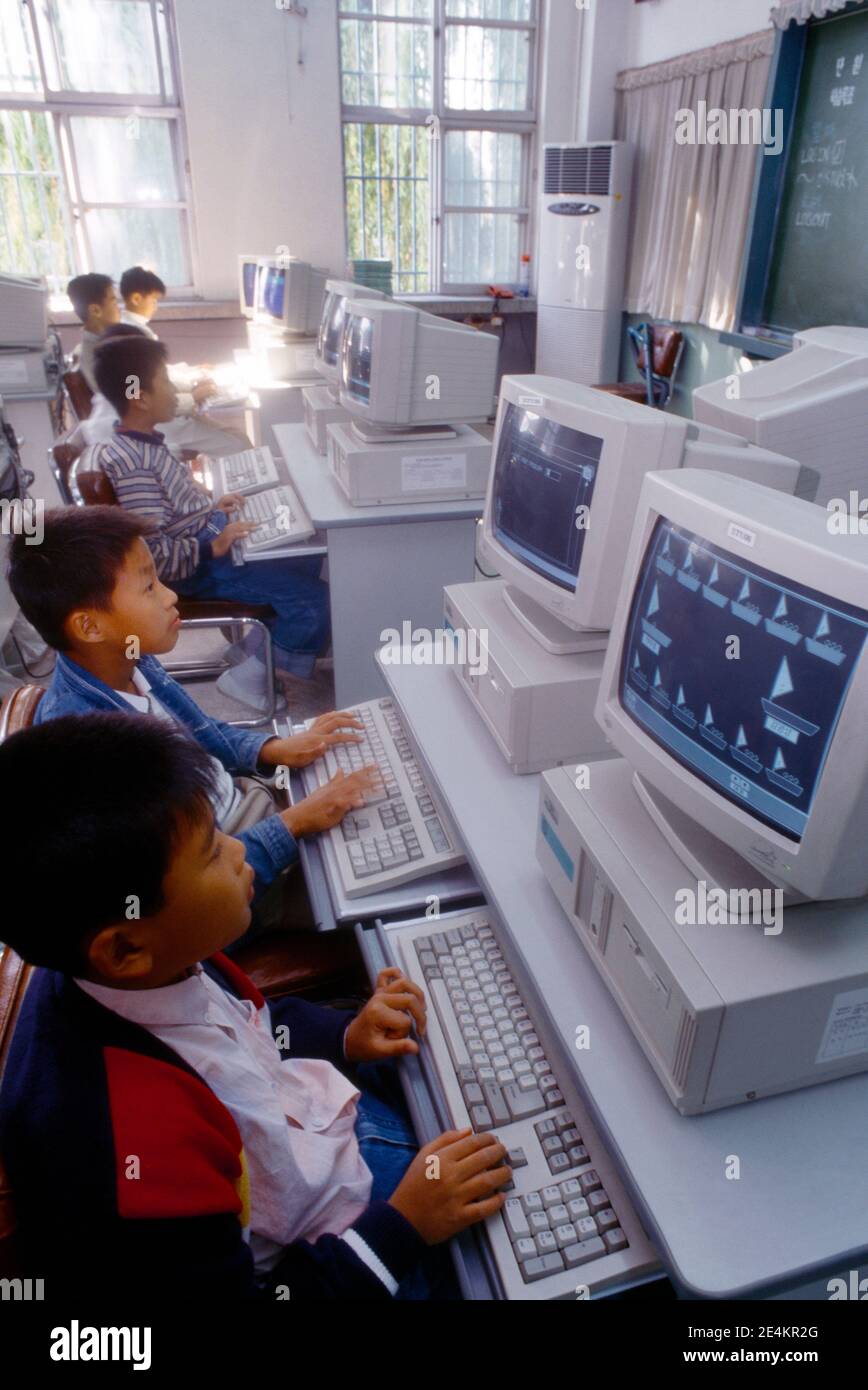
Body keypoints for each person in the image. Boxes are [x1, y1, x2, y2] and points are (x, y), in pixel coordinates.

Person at [0, 713, 510, 1299]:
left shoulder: (159, 964)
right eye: (211, 855)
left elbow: (254, 1032)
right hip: (335, 1253)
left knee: (473, 1076)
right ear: (125, 946)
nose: (241, 851)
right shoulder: (132, 1149)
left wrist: (347, 1034)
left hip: (326, 1136)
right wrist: (403, 1227)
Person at [7, 504, 370, 931]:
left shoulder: (132, 661)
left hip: (243, 811)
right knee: (379, 894)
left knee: (367, 802)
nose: (170, 595)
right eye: (148, 587)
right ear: (89, 626)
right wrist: (296, 823)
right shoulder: (99, 754)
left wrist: (273, 748)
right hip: (237, 884)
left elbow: (203, 733)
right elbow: (189, 895)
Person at [85, 332, 329, 712]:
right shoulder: (132, 462)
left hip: (210, 543)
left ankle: (253, 649)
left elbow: (174, 510)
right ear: (140, 396)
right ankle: (250, 678)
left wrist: (216, 506)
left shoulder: (145, 441)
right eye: (166, 381)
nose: (175, 391)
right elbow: (156, 553)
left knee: (308, 556)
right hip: (200, 567)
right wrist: (212, 544)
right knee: (314, 602)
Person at [66, 272, 121, 392]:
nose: (119, 308)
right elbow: (132, 396)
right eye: (114, 302)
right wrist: (137, 372)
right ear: (95, 310)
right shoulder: (99, 355)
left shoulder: (104, 344)